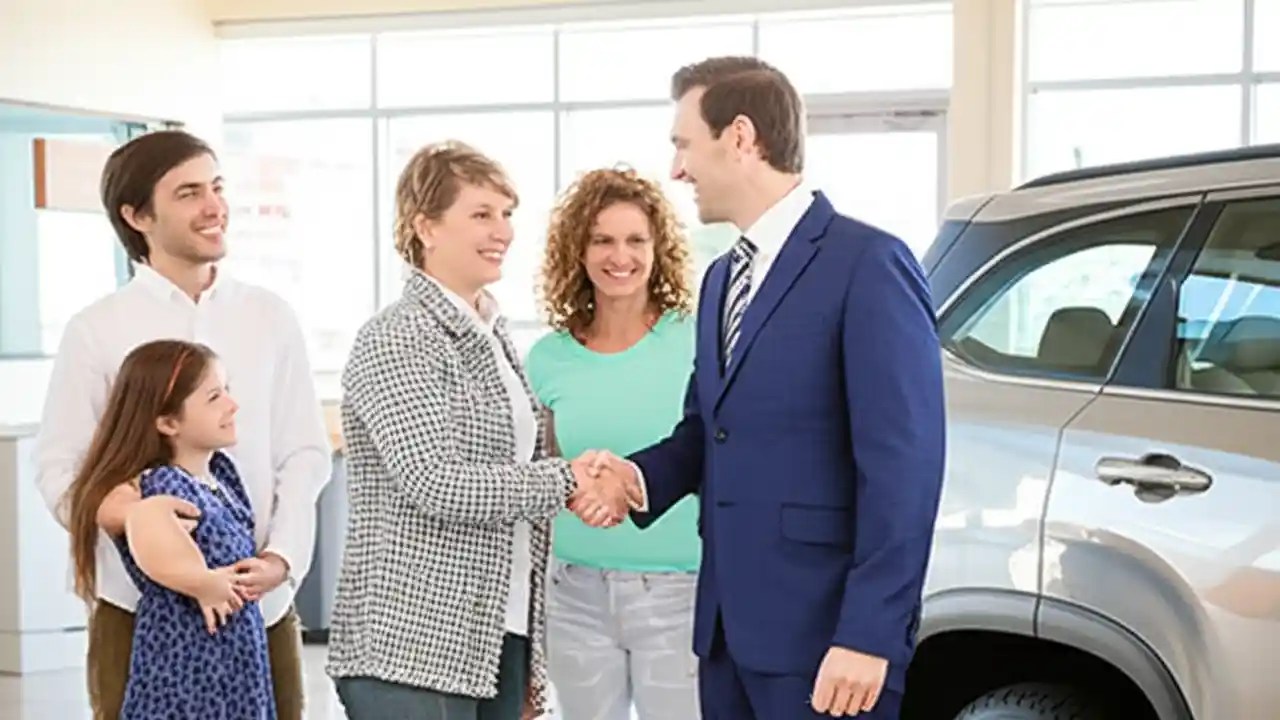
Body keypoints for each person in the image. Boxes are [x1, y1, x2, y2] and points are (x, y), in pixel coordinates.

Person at [582, 57, 947, 719]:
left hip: (828, 642)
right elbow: (707, 429)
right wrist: (635, 479)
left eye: (683, 144)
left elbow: (906, 470)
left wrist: (870, 633)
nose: (677, 170)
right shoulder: (722, 277)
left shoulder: (869, 264)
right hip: (727, 636)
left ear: (742, 137)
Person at [324, 140, 630, 720]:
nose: (504, 230)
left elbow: (513, 494)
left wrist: (528, 663)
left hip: (493, 638)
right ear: (426, 227)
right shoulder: (399, 336)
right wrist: (567, 479)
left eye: (507, 213)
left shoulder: (493, 334)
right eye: (482, 214)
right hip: (411, 648)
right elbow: (434, 481)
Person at [33, 129, 332, 720]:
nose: (214, 205)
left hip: (260, 607)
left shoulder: (269, 316)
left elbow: (304, 454)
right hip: (137, 615)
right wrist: (138, 520)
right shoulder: (97, 330)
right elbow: (59, 470)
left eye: (217, 187)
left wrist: (280, 561)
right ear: (137, 215)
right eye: (189, 193)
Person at [525, 166, 699, 719]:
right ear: (577, 251)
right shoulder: (547, 358)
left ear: (658, 248)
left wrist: (623, 482)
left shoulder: (696, 339)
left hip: (681, 592)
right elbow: (540, 474)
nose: (618, 256)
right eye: (601, 240)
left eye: (634, 240)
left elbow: (714, 448)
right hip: (574, 591)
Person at [63, 339, 275, 720]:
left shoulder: (222, 476)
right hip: (188, 665)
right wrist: (200, 581)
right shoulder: (161, 485)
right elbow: (152, 534)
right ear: (167, 422)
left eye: (227, 390)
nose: (232, 404)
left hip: (236, 659)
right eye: (214, 397)